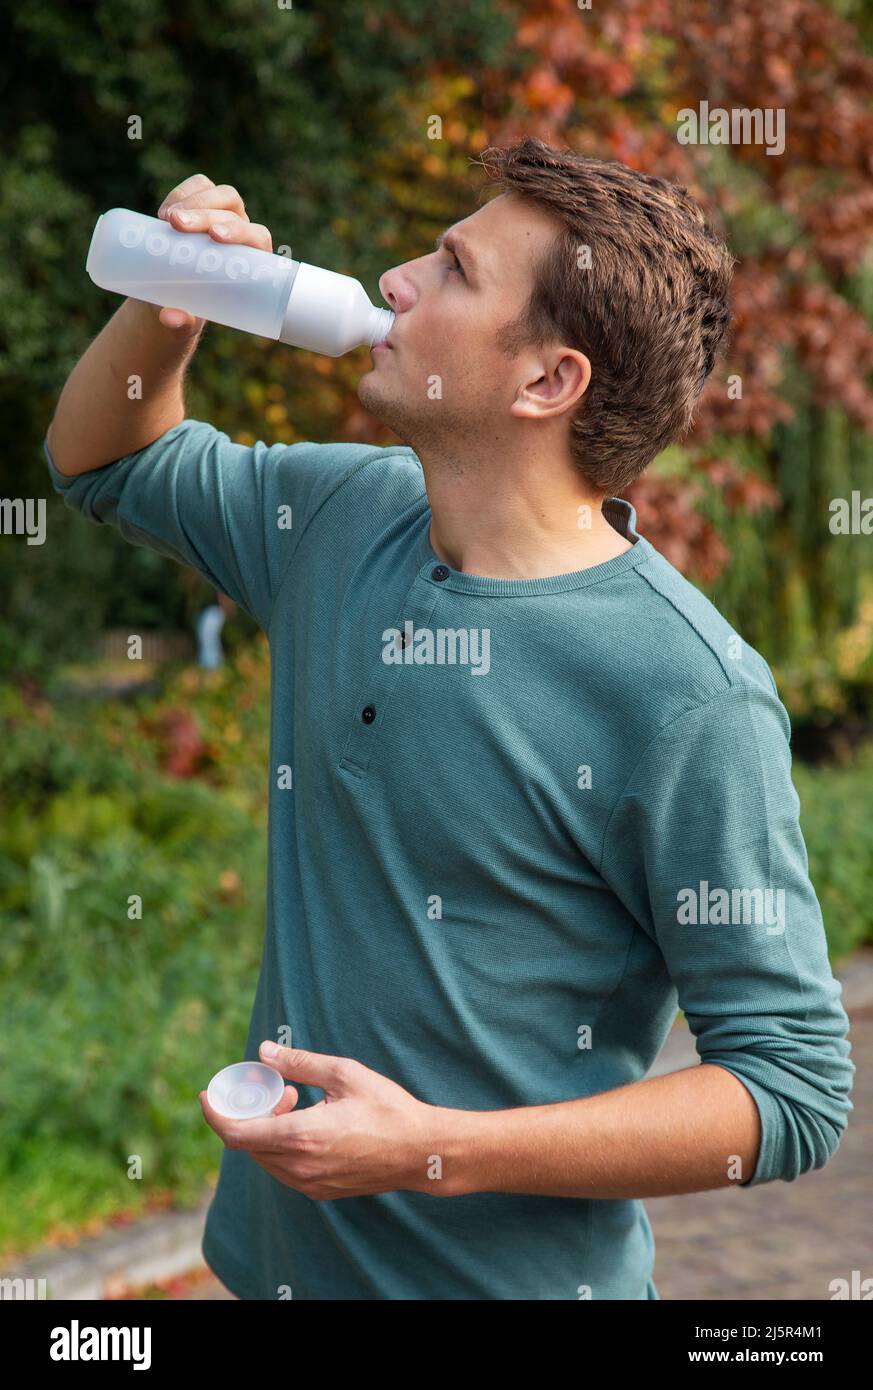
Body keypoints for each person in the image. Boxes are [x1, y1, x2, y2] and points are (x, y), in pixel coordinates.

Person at [44, 140, 854, 1300]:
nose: (394, 278)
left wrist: (435, 1148)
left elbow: (791, 1091)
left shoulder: (691, 696)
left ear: (546, 382)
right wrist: (168, 310)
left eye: (455, 269)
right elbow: (105, 459)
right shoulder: (345, 512)